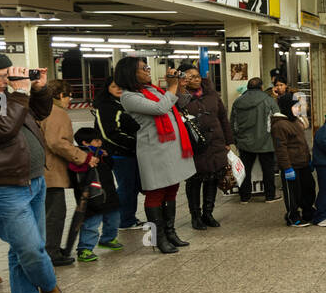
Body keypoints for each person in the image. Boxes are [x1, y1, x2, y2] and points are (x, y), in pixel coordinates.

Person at [0, 46, 64, 293]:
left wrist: (37, 90)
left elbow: (35, 113)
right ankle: (49, 286)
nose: (6, 80)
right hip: (4, 187)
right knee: (30, 248)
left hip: (34, 180)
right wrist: (20, 93)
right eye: (0, 75)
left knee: (21, 248)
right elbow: (1, 128)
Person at [112, 56, 197, 255]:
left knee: (172, 188)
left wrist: (180, 86)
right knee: (156, 192)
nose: (148, 70)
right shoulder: (129, 97)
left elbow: (179, 104)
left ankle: (170, 232)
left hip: (171, 147)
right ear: (131, 73)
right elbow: (160, 108)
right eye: (144, 68)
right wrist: (172, 86)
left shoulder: (154, 90)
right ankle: (157, 238)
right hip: (154, 150)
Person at [40, 80, 91, 267]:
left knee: (43, 215)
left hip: (38, 171)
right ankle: (51, 252)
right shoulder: (56, 112)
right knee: (55, 214)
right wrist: (82, 157)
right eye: (69, 96)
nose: (69, 101)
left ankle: (47, 249)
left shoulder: (38, 109)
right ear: (61, 95)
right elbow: (57, 142)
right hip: (51, 172)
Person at [177, 65, 234, 229]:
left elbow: (223, 117)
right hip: (194, 144)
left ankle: (208, 213)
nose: (195, 79)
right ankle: (195, 216)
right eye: (190, 76)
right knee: (194, 180)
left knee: (213, 178)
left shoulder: (211, 94)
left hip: (216, 142)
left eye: (196, 76)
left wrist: (227, 141)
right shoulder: (180, 97)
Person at [94, 78, 142, 231]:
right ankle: (124, 221)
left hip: (131, 153)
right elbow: (109, 134)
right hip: (119, 154)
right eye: (114, 86)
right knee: (126, 187)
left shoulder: (124, 104)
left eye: (121, 85)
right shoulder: (106, 107)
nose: (118, 89)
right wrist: (134, 143)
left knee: (133, 186)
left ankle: (129, 217)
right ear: (107, 89)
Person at [70, 127, 123, 262]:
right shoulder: (80, 155)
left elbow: (111, 166)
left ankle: (108, 239)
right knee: (91, 223)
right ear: (85, 143)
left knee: (113, 217)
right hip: (92, 197)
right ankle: (85, 248)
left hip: (109, 193)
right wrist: (88, 161)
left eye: (100, 140)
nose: (100, 143)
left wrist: (106, 156)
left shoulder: (101, 154)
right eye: (96, 141)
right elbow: (75, 172)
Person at [232, 76, 280, 203]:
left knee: (245, 170)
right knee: (268, 170)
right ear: (261, 87)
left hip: (244, 142)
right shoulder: (269, 101)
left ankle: (244, 197)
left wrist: (235, 138)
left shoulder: (237, 102)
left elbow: (233, 123)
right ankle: (270, 196)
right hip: (266, 141)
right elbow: (276, 120)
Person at [272, 92, 316, 227]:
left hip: (303, 163)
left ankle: (308, 211)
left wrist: (308, 159)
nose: (299, 109)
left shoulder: (296, 121)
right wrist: (287, 168)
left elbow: (302, 143)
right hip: (291, 165)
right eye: (296, 106)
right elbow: (281, 149)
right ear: (287, 107)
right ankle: (293, 216)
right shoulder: (279, 125)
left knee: (309, 189)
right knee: (293, 193)